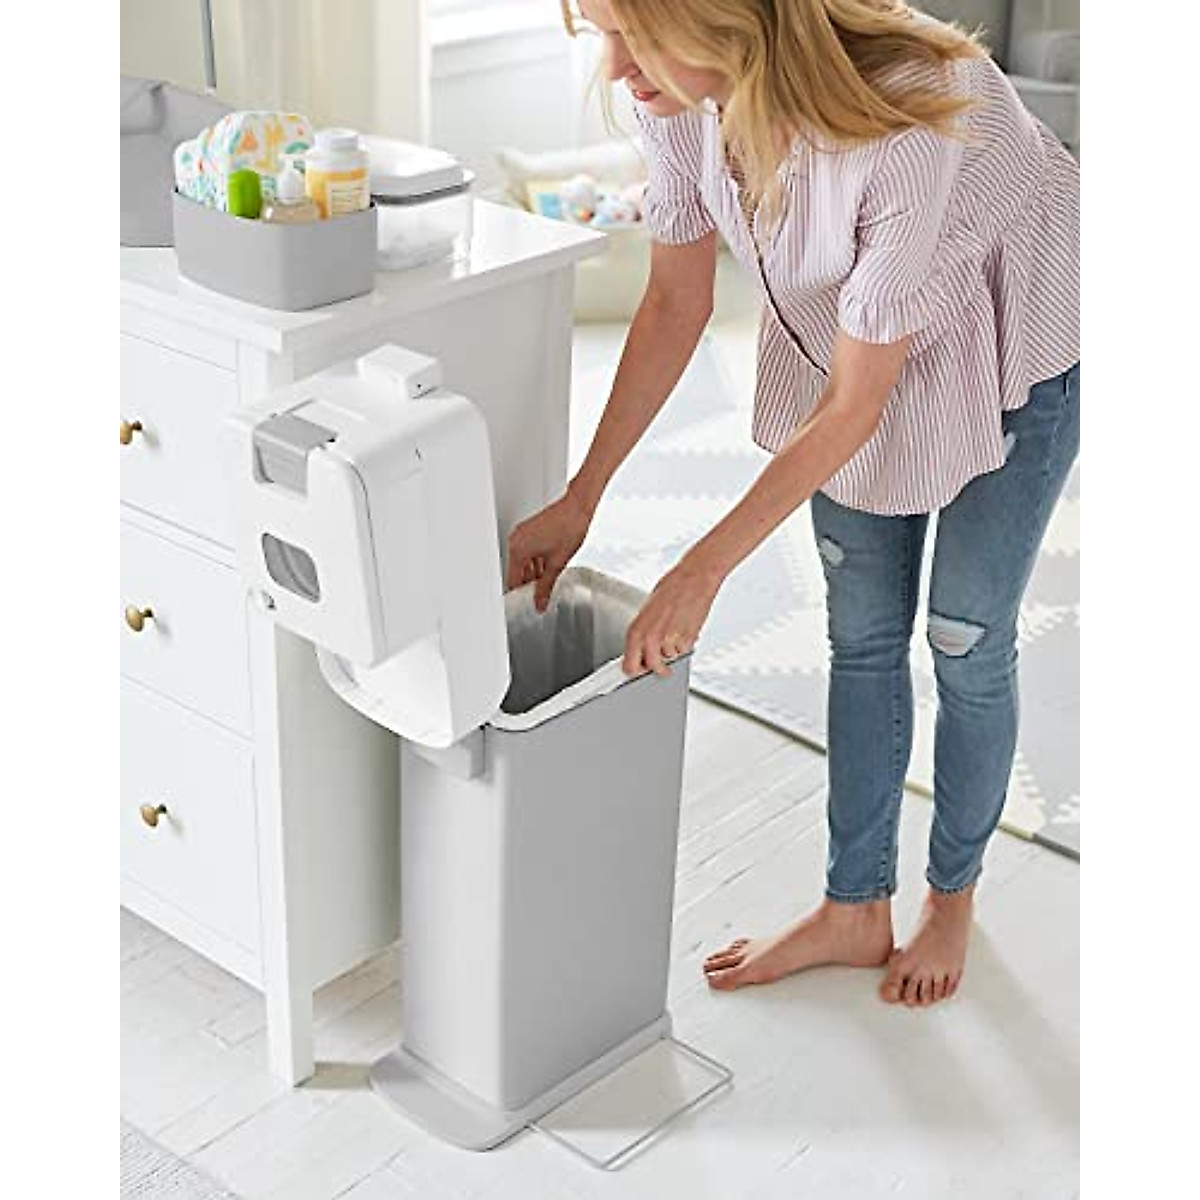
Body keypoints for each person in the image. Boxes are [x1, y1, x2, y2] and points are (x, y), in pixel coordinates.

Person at [506, 0, 1078, 1008]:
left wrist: (700, 570)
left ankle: (952, 893)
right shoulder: (675, 102)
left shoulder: (912, 118)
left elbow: (858, 403)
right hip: (857, 347)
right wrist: (582, 496)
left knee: (965, 635)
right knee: (862, 633)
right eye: (600, 32)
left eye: (636, 34)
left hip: (1015, 345)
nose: (617, 68)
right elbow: (676, 299)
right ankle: (854, 908)